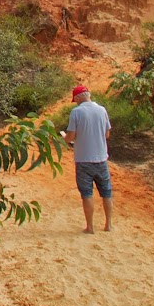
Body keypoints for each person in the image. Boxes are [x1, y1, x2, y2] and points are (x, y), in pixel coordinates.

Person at [64, 84, 112, 233]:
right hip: (101, 158)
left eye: (75, 99)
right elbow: (107, 134)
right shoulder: (102, 110)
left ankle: (90, 227)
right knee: (106, 193)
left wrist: (65, 139)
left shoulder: (76, 112)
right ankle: (108, 225)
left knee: (87, 194)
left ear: (78, 97)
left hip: (83, 159)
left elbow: (71, 136)